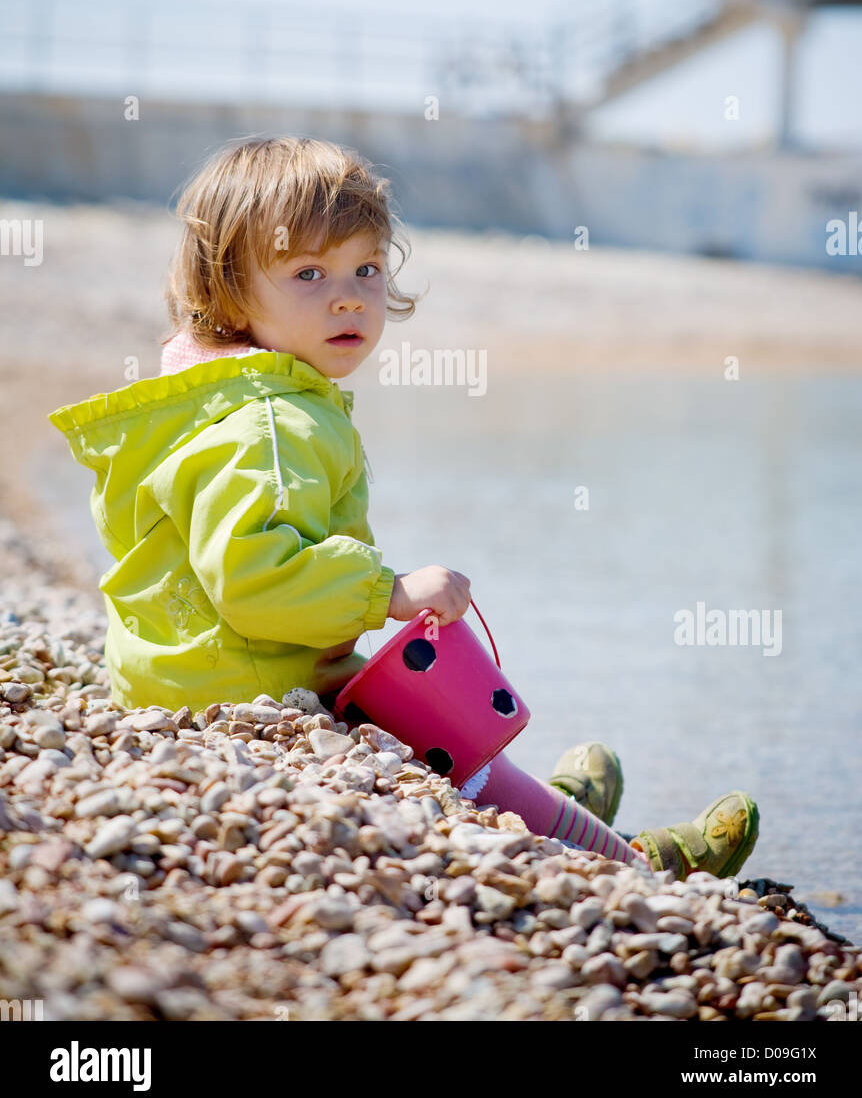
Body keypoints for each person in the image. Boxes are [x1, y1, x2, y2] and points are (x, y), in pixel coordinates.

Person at [47, 135, 759, 881]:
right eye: (309, 272)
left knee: (435, 724)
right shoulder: (269, 426)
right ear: (228, 290)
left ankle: (552, 805)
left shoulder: (205, 397)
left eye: (366, 268)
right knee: (446, 759)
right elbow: (251, 577)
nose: (349, 295)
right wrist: (384, 592)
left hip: (174, 678)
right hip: (244, 688)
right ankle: (633, 863)